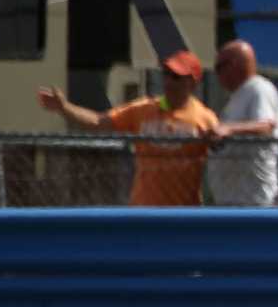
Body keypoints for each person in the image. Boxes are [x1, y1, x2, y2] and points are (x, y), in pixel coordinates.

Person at [36, 49, 219, 207]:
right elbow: (100, 122)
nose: (169, 81)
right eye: (166, 74)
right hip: (143, 211)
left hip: (184, 214)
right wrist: (64, 107)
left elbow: (223, 158)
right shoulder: (144, 109)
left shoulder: (204, 118)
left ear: (193, 83)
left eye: (176, 77)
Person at [204, 39, 278, 208]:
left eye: (219, 68)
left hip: (255, 201)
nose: (217, 75)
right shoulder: (237, 96)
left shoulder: (259, 88)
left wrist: (229, 129)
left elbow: (266, 126)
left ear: (234, 64)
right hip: (231, 199)